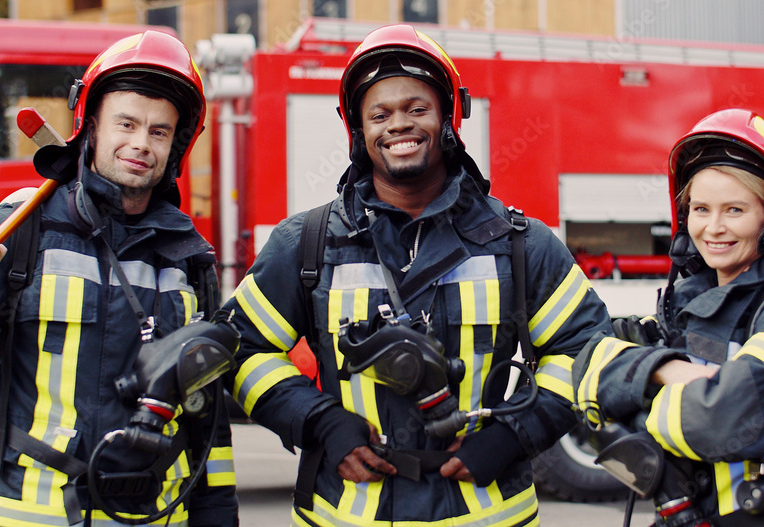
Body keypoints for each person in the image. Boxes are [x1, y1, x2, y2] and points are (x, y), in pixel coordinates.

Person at [221, 24, 612, 526]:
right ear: (358, 131)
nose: (398, 125)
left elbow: (588, 350)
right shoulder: (307, 242)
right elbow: (240, 348)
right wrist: (319, 422)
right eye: (379, 114)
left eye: (417, 109)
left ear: (448, 118)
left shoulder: (519, 244)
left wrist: (515, 433)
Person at [0, 31, 238, 526]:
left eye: (158, 132)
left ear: (176, 145)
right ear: (90, 126)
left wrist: (218, 514)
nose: (140, 144)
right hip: (32, 514)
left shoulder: (188, 258)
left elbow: (207, 413)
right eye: (126, 124)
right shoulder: (22, 225)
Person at [573, 108, 764, 527]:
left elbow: (725, 422)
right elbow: (588, 371)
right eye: (700, 209)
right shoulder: (686, 300)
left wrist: (639, 399)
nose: (713, 228)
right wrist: (669, 370)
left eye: (734, 210)